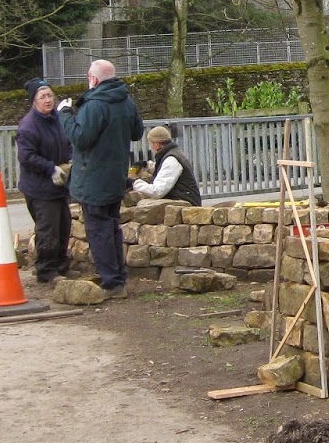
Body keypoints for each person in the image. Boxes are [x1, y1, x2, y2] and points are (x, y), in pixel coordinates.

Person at [57, 59, 143, 298]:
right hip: (116, 175)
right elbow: (137, 132)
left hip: (94, 177)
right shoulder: (126, 101)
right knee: (112, 227)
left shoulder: (94, 105)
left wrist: (65, 115)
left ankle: (111, 282)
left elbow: (81, 138)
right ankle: (118, 277)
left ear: (94, 79)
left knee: (98, 230)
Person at [16, 78, 73, 285]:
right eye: (42, 97)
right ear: (34, 100)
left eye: (50, 95)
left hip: (58, 185)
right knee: (48, 230)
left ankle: (61, 266)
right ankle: (46, 270)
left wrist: (70, 159)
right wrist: (50, 168)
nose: (48, 100)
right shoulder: (28, 126)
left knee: (64, 226)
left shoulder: (56, 119)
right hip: (39, 187)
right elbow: (26, 157)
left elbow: (67, 143)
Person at [132, 125, 202, 205]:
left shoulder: (172, 160)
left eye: (150, 143)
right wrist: (146, 165)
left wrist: (134, 182)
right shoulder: (173, 153)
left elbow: (158, 191)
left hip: (186, 204)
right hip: (183, 199)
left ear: (157, 145)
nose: (150, 147)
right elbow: (163, 169)